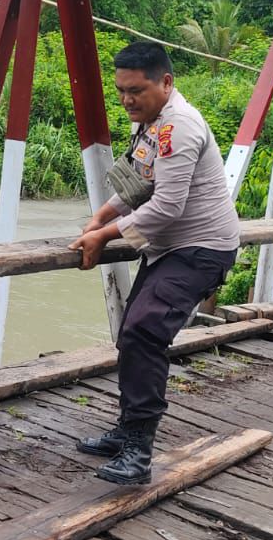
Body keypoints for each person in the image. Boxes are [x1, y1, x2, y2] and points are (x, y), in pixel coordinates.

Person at [69, 42, 240, 486]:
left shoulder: (179, 126)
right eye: (121, 91)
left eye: (136, 91)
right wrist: (100, 216)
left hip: (202, 249)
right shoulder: (149, 122)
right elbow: (136, 185)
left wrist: (104, 235)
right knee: (132, 333)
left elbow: (167, 206)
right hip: (168, 249)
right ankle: (127, 431)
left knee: (144, 332)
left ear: (165, 82)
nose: (127, 100)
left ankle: (138, 452)